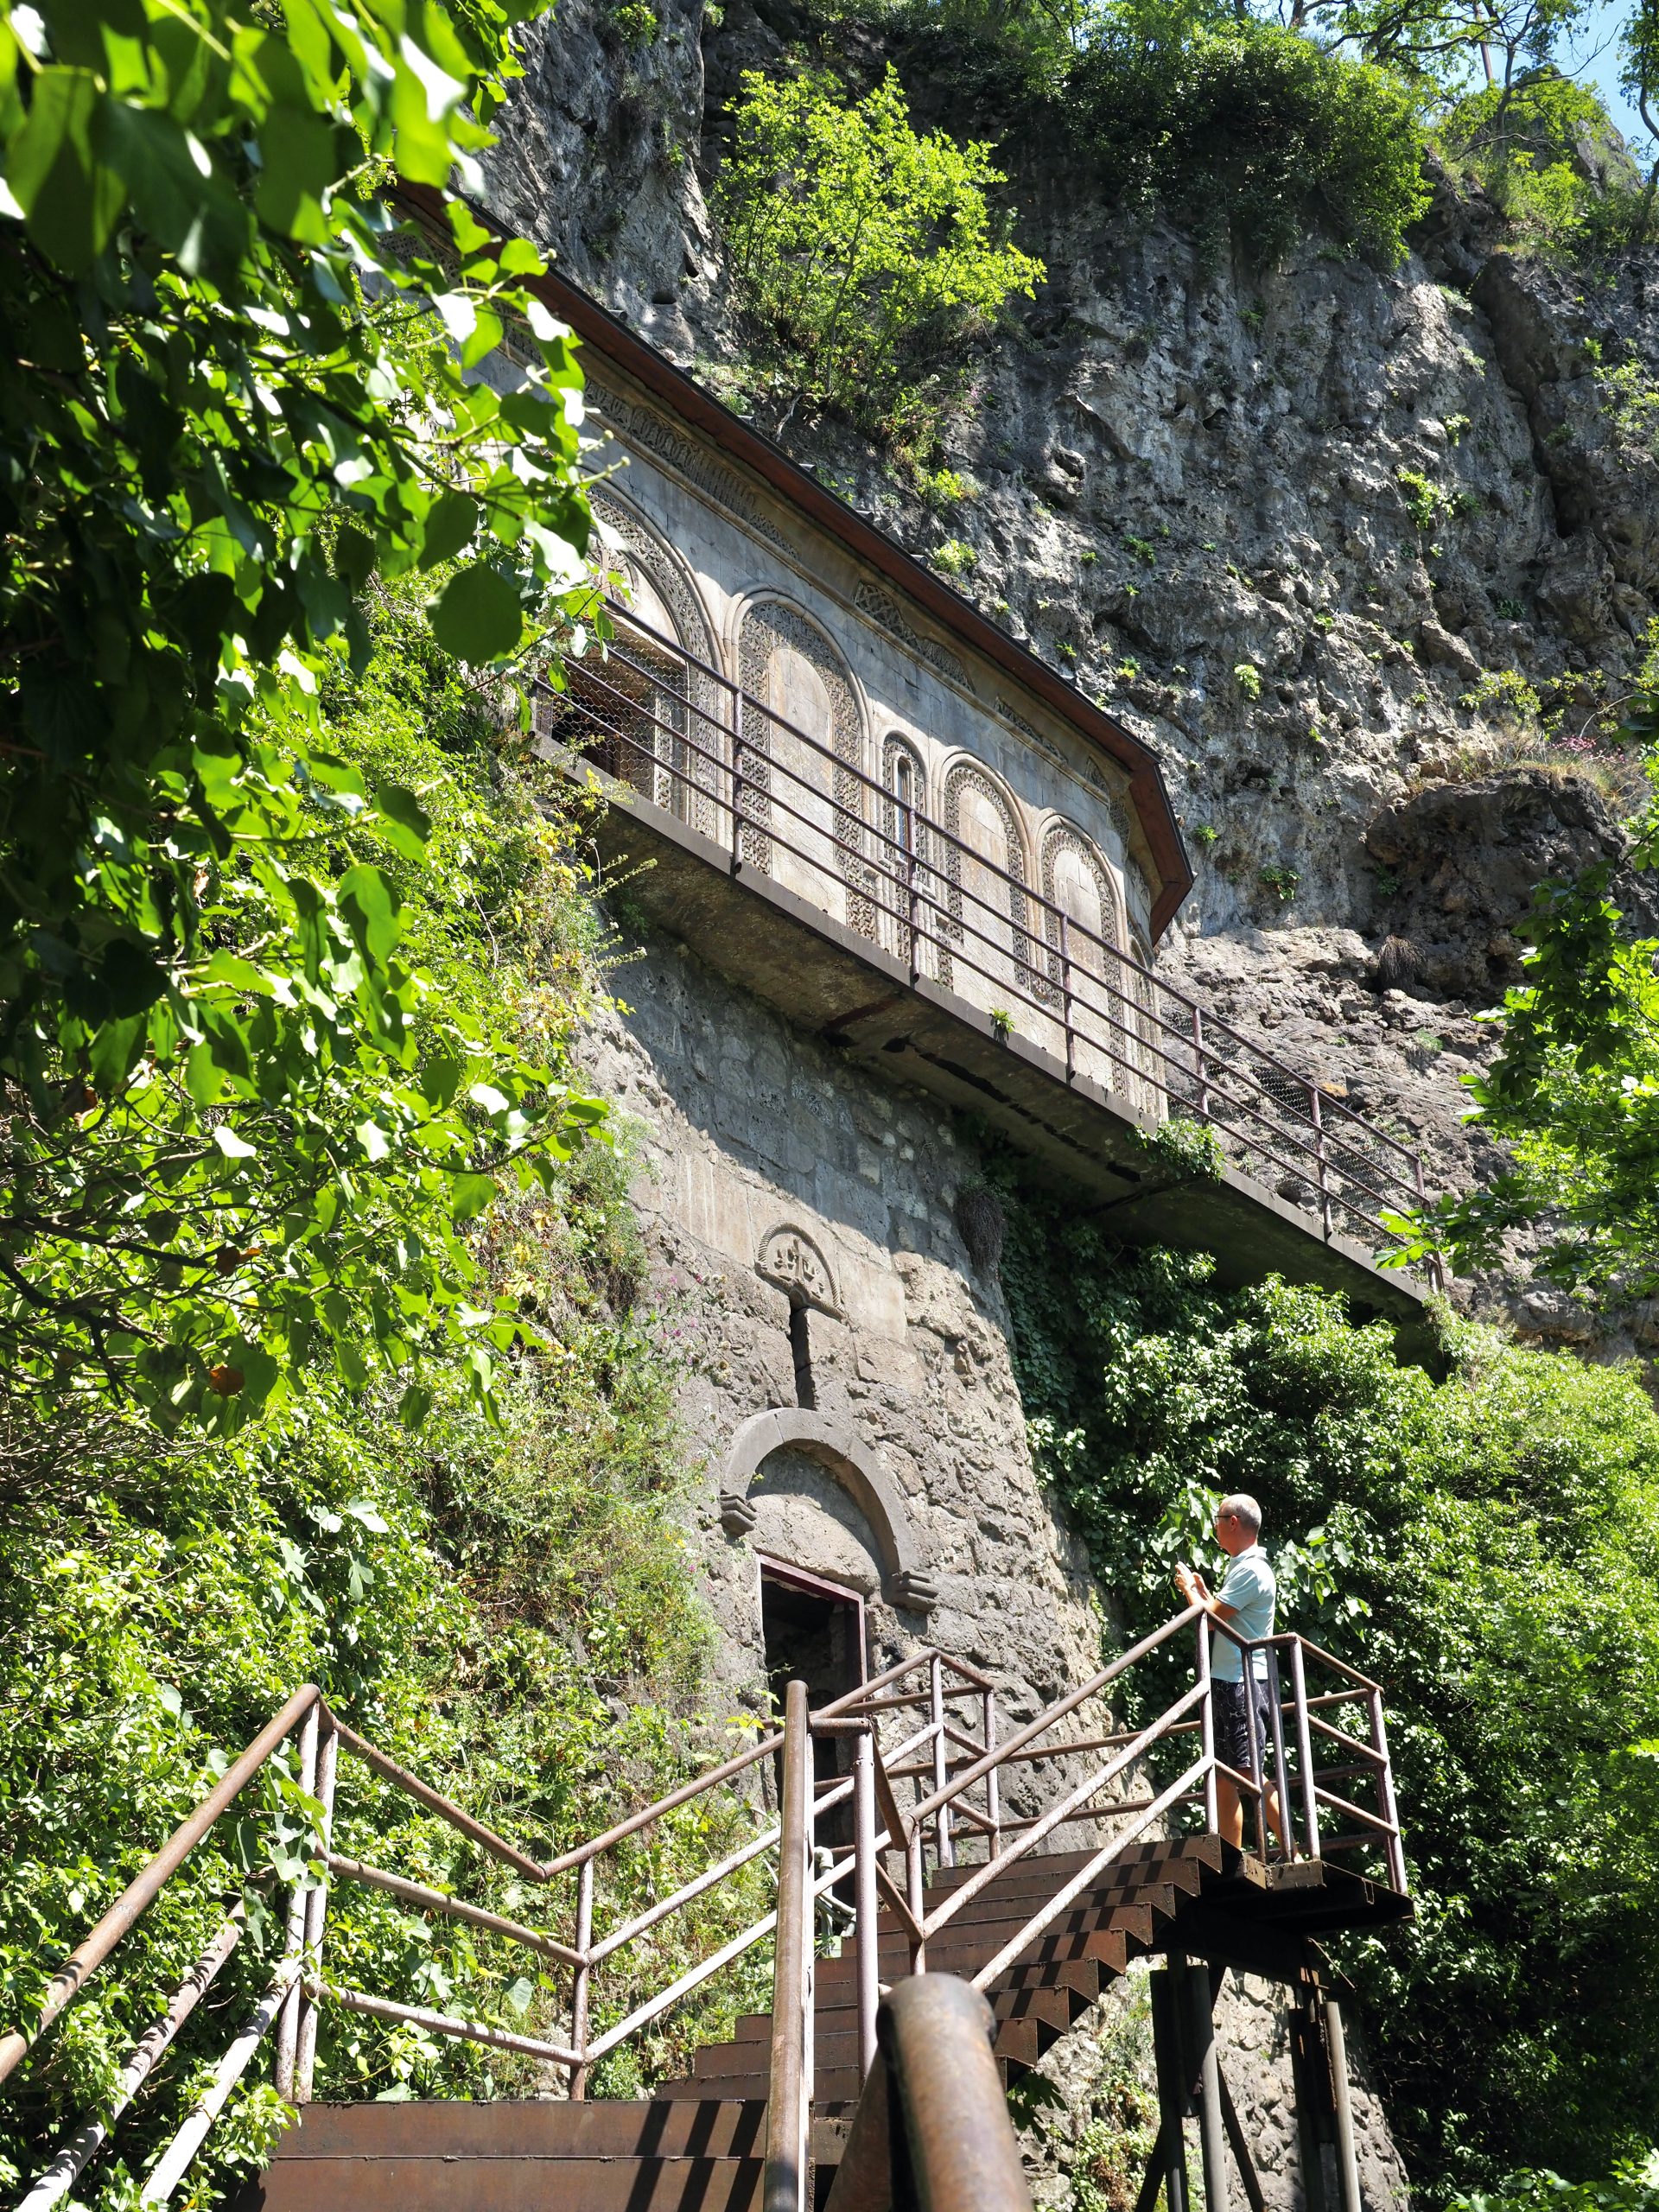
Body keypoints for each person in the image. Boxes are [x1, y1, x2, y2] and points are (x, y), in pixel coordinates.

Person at [1174, 1494, 1287, 1853]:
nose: (1215, 1525)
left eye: (1218, 1518)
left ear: (1233, 1522)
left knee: (1249, 1772)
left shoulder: (1252, 1569)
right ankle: (1230, 1856)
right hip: (1231, 1680)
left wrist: (1191, 1592)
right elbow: (1225, 1615)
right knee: (1224, 1774)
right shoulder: (1244, 1567)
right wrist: (1205, 1594)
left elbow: (1207, 1621)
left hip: (1243, 1682)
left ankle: (1295, 1852)